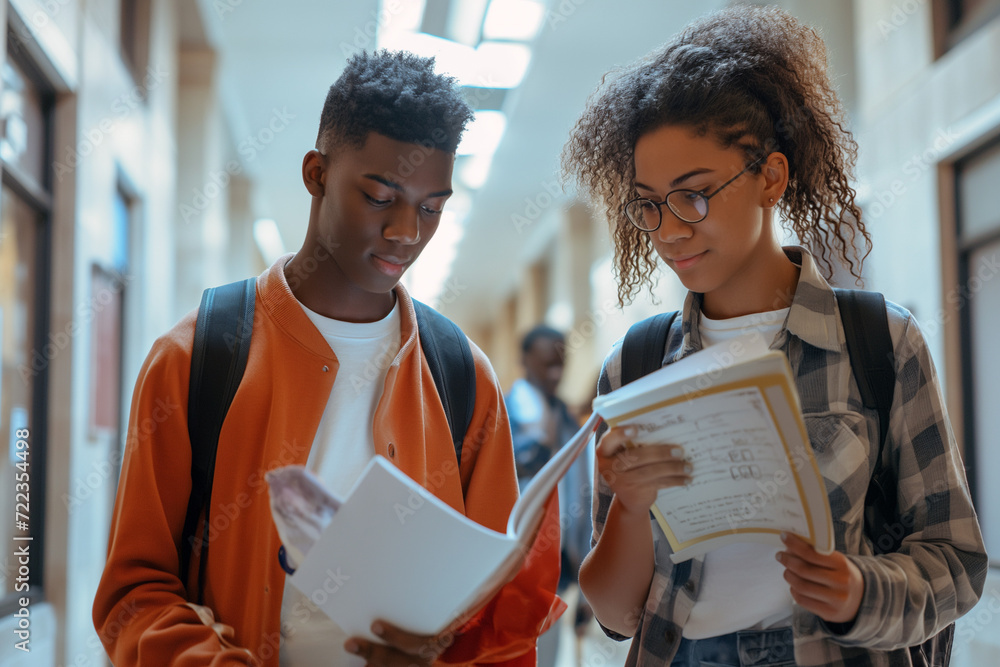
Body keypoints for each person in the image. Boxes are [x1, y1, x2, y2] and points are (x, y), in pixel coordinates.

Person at [93, 50, 563, 667]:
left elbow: (500, 625)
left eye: (431, 207)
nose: (405, 231)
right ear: (317, 173)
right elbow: (134, 594)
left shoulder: (462, 377)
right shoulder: (196, 357)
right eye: (379, 196)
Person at [561, 5, 987, 666]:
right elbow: (616, 617)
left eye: (694, 194)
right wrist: (632, 507)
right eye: (648, 203)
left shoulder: (880, 342)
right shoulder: (637, 366)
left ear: (771, 178)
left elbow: (957, 562)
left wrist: (859, 592)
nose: (669, 229)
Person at [505, 326, 594, 666]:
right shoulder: (505, 413)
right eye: (546, 364)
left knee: (548, 659)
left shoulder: (567, 420)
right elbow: (525, 461)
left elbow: (584, 500)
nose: (556, 374)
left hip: (560, 571)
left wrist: (587, 589)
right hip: (515, 572)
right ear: (525, 361)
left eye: (561, 364)